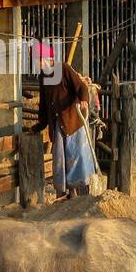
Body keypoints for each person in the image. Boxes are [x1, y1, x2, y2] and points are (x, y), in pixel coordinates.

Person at [32, 41, 97, 199]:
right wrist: (41, 124)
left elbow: (80, 86)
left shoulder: (64, 69)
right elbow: (44, 103)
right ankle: (66, 192)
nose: (36, 63)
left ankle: (81, 192)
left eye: (38, 59)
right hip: (57, 122)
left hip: (73, 120)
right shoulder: (43, 76)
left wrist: (83, 100)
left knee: (77, 157)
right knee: (60, 159)